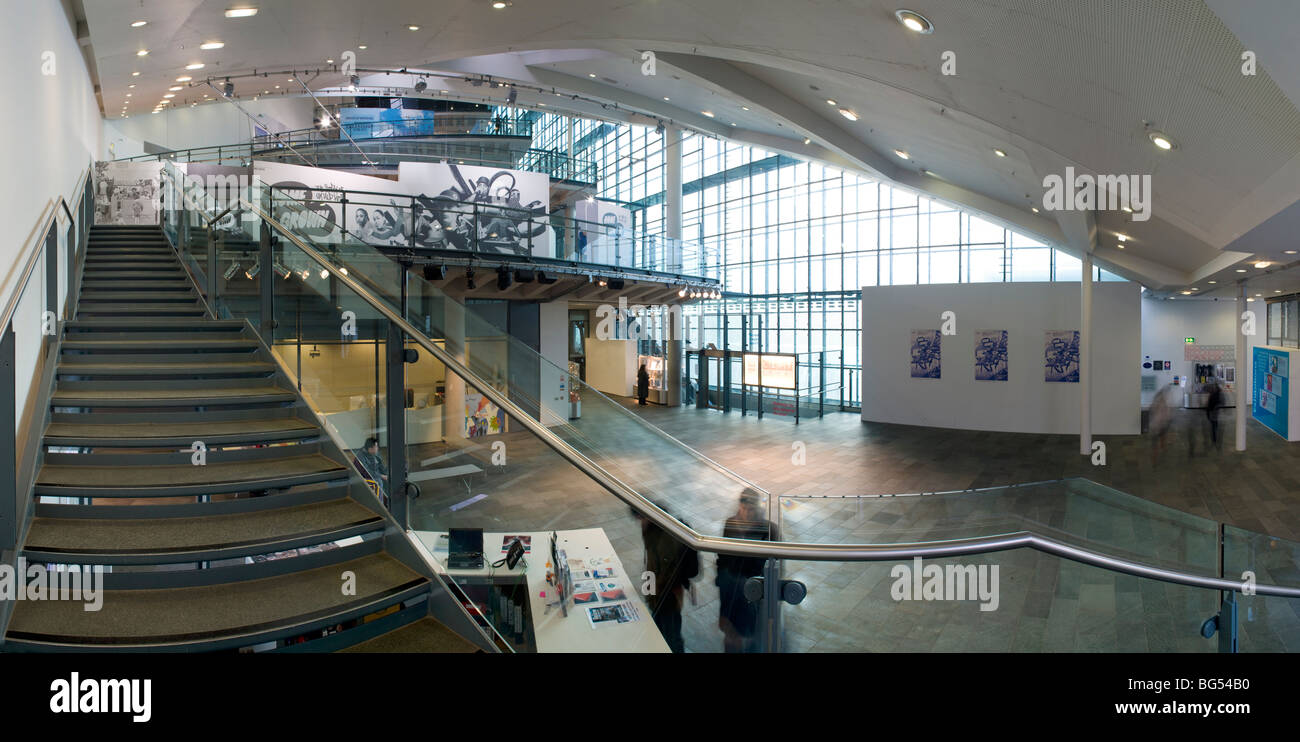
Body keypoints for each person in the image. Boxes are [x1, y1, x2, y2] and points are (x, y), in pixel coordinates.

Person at [633, 506, 699, 653]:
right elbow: (650, 563)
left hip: (667, 596)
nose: (640, 522)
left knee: (671, 635)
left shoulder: (665, 536)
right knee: (660, 628)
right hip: (657, 594)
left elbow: (667, 571)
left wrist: (654, 591)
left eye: (641, 518)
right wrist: (649, 591)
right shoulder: (650, 529)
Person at [717, 489, 769, 652]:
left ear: (757, 508)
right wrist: (723, 611)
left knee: (754, 640)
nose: (746, 513)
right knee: (732, 638)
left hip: (755, 595)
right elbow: (723, 564)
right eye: (744, 508)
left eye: (751, 509)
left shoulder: (768, 529)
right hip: (733, 594)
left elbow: (770, 568)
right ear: (739, 506)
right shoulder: (730, 524)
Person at [356, 436, 389, 501]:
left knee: (389, 479)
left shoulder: (376, 453)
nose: (377, 448)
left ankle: (388, 503)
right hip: (364, 478)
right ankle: (380, 504)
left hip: (376, 474)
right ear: (370, 448)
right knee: (378, 482)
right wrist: (381, 476)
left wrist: (387, 474)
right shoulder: (360, 456)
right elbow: (367, 472)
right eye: (376, 447)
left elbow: (381, 466)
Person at [1206, 380, 1223, 449]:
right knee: (1214, 424)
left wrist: (1208, 411)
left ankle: (1214, 440)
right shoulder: (1217, 394)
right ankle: (1214, 439)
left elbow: (1210, 404)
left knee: (1213, 425)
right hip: (1214, 412)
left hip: (1212, 411)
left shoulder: (1214, 394)